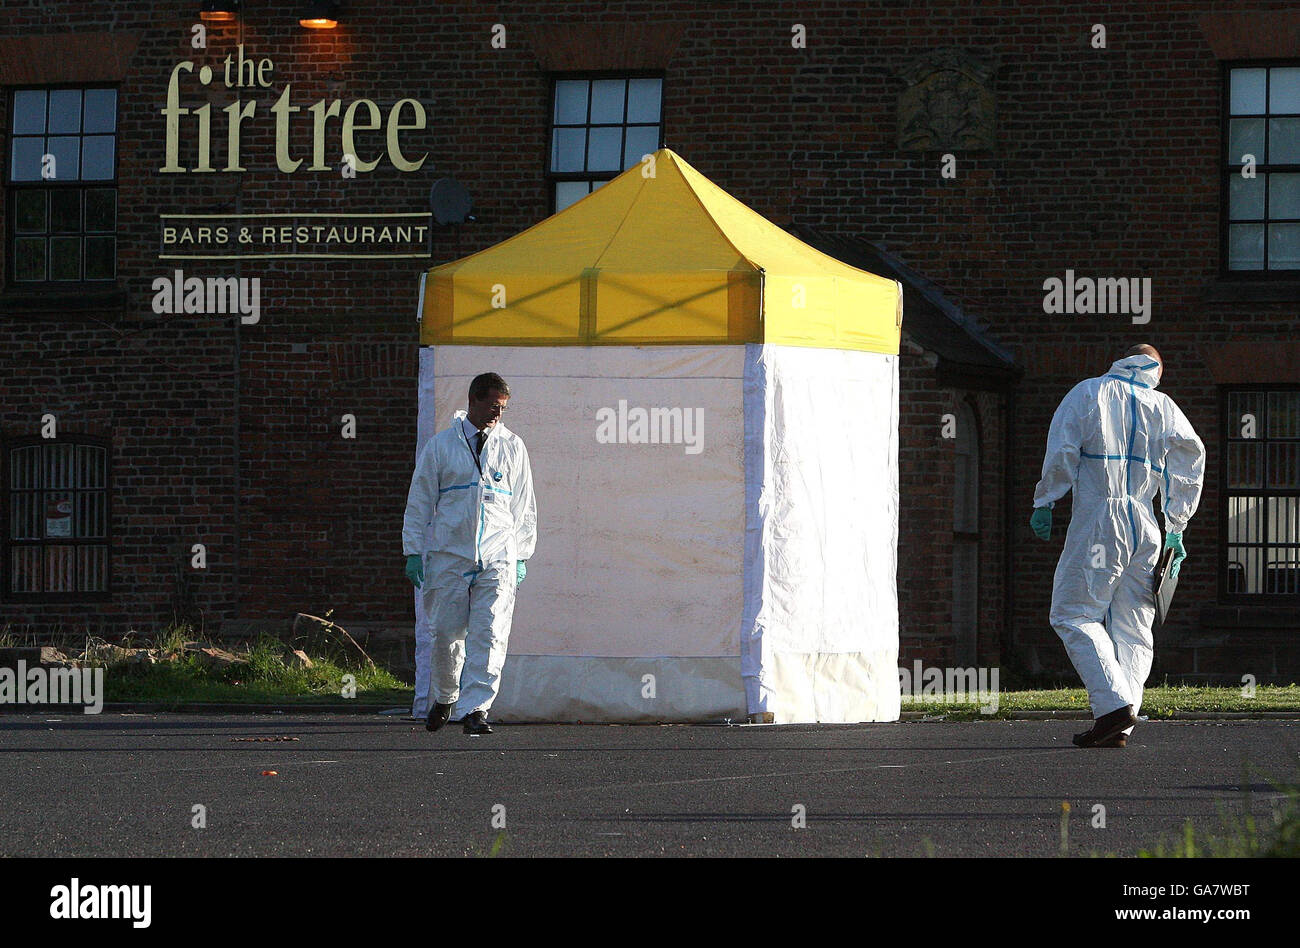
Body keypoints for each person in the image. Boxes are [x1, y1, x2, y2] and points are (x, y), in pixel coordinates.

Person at [1030, 345, 1204, 748]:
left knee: (1073, 614)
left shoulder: (1088, 392)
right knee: (1134, 627)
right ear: (1156, 370)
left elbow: (1062, 449)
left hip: (1100, 519)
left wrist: (1046, 499)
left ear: (1122, 360)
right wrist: (1177, 524)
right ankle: (1121, 722)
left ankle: (1112, 707)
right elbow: (1191, 459)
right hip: (1146, 524)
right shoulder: (1165, 406)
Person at [402, 372, 537, 735]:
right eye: (494, 405)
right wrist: (413, 550)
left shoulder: (512, 446)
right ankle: (446, 696)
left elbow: (524, 506)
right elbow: (420, 501)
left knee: (491, 632)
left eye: (503, 407)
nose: (498, 413)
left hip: (498, 556)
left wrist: (521, 554)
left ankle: (476, 709)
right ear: (474, 400)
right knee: (447, 633)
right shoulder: (441, 447)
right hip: (449, 555)